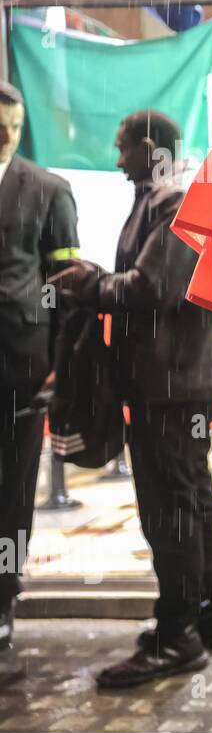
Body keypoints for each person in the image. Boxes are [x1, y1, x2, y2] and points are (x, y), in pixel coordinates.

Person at [49, 111, 212, 687]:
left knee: (170, 511)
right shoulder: (169, 195)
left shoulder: (173, 198)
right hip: (184, 382)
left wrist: (88, 284)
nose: (116, 161)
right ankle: (208, 621)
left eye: (121, 149)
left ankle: (176, 636)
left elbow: (154, 287)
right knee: (193, 501)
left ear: (147, 147)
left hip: (171, 386)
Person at [0, 80, 80, 652]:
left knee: (11, 484)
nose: (7, 131)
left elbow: (65, 285)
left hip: (20, 362)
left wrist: (59, 359)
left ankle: (3, 596)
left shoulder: (48, 188)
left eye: (14, 121)